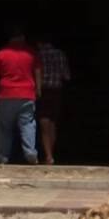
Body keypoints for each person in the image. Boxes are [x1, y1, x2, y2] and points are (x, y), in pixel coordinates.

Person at [0, 23, 42, 165]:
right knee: (27, 124)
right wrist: (38, 89)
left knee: (5, 128)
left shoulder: (1, 53)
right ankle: (30, 153)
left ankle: (3, 156)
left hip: (6, 95)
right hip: (27, 94)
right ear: (23, 37)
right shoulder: (31, 53)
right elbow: (38, 72)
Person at [36, 36, 71, 164]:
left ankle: (49, 156)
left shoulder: (38, 55)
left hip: (43, 90)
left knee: (44, 124)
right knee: (52, 124)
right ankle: (50, 154)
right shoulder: (60, 54)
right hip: (57, 90)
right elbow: (66, 76)